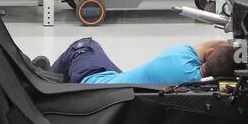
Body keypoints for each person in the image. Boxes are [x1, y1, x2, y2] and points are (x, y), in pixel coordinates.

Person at [42, 37, 237, 85]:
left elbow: (208, 46)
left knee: (85, 45)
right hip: (120, 88)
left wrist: (237, 45)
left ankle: (43, 84)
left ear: (210, 54)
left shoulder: (181, 57)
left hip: (95, 85)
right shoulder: (198, 86)